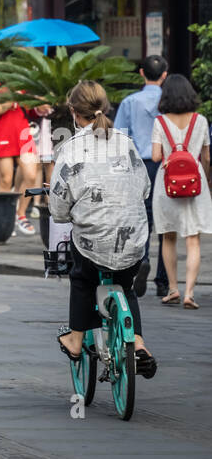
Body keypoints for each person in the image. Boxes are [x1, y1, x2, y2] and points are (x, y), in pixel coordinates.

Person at [49, 80, 157, 378]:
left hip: (93, 242)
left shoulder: (70, 149)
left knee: (82, 278)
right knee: (125, 285)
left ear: (73, 112)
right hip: (134, 239)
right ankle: (137, 343)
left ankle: (75, 339)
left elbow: (58, 211)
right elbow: (144, 188)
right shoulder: (127, 142)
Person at [150, 73, 212, 310]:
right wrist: (204, 177)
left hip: (168, 184)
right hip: (195, 183)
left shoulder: (160, 122)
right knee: (193, 238)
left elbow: (156, 156)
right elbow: (206, 156)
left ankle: (173, 289)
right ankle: (189, 293)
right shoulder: (201, 120)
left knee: (168, 236)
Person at [113, 54, 168, 298]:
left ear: (141, 74)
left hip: (139, 165)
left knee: (142, 217)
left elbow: (119, 139)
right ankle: (165, 281)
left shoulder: (129, 102)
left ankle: (142, 260)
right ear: (164, 75)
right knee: (167, 222)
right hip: (167, 166)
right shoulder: (172, 101)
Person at [0, 85, 37, 236]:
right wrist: (14, 98)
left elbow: (34, 110)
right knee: (6, 181)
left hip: (24, 136)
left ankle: (20, 215)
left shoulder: (23, 85)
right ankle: (3, 219)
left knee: (31, 176)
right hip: (3, 136)